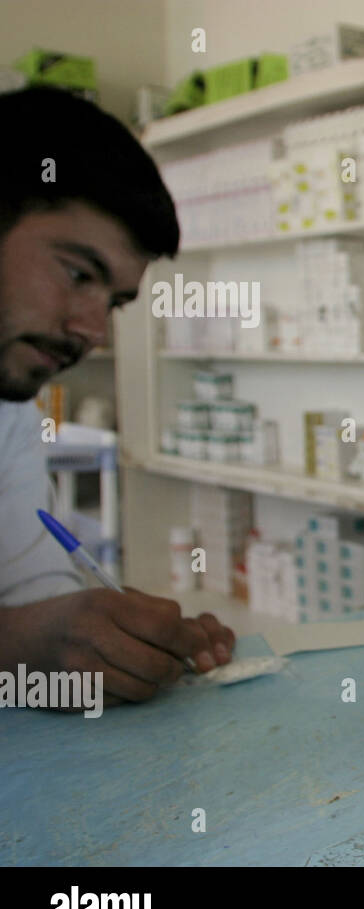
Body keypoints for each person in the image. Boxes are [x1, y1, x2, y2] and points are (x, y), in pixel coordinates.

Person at [0, 87, 235, 708]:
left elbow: (30, 598)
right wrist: (23, 645)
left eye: (114, 303)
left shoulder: (11, 414)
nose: (91, 330)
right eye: (77, 274)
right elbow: (21, 637)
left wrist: (106, 636)